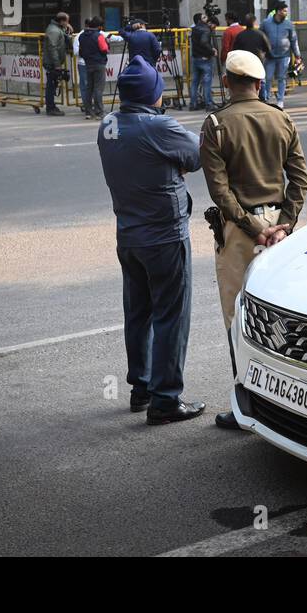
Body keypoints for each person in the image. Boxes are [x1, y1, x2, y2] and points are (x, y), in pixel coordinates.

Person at [199, 50, 307, 430]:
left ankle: (246, 403)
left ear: (227, 81)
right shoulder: (281, 118)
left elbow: (220, 191)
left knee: (238, 318)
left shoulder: (216, 124)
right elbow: (300, 180)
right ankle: (287, 401)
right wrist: (286, 224)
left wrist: (251, 226)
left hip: (240, 232)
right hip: (279, 228)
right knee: (281, 316)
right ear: (260, 84)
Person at [96, 55, 205, 425]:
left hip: (128, 236)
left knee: (138, 313)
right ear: (153, 94)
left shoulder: (108, 124)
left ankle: (140, 388)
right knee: (171, 317)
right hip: (165, 237)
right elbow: (197, 153)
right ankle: (166, 399)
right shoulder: (158, 127)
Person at [262, 0, 301, 109]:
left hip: (284, 56)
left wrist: (297, 56)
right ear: (278, 11)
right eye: (284, 11)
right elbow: (261, 36)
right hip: (270, 56)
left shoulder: (288, 24)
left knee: (281, 78)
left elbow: (294, 40)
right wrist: (262, 51)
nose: (286, 13)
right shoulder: (266, 23)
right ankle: (266, 98)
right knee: (267, 78)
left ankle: (280, 100)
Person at [78, 17, 110, 119]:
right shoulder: (99, 36)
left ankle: (88, 112)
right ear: (99, 26)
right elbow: (104, 49)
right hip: (99, 63)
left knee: (89, 88)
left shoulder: (82, 36)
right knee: (98, 88)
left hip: (88, 63)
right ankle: (99, 112)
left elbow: (81, 50)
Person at [42, 12, 72, 116]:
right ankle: (50, 108)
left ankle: (51, 106)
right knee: (51, 85)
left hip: (53, 62)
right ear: (62, 21)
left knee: (53, 84)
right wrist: (57, 64)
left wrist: (67, 31)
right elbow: (52, 48)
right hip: (52, 63)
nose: (68, 23)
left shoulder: (57, 28)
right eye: (67, 21)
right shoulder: (54, 31)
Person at [188, 12, 216, 111]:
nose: (206, 18)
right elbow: (204, 42)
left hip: (195, 58)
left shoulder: (194, 29)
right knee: (207, 83)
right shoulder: (205, 29)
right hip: (205, 59)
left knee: (195, 82)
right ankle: (209, 104)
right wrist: (212, 51)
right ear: (200, 20)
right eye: (204, 17)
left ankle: (193, 104)